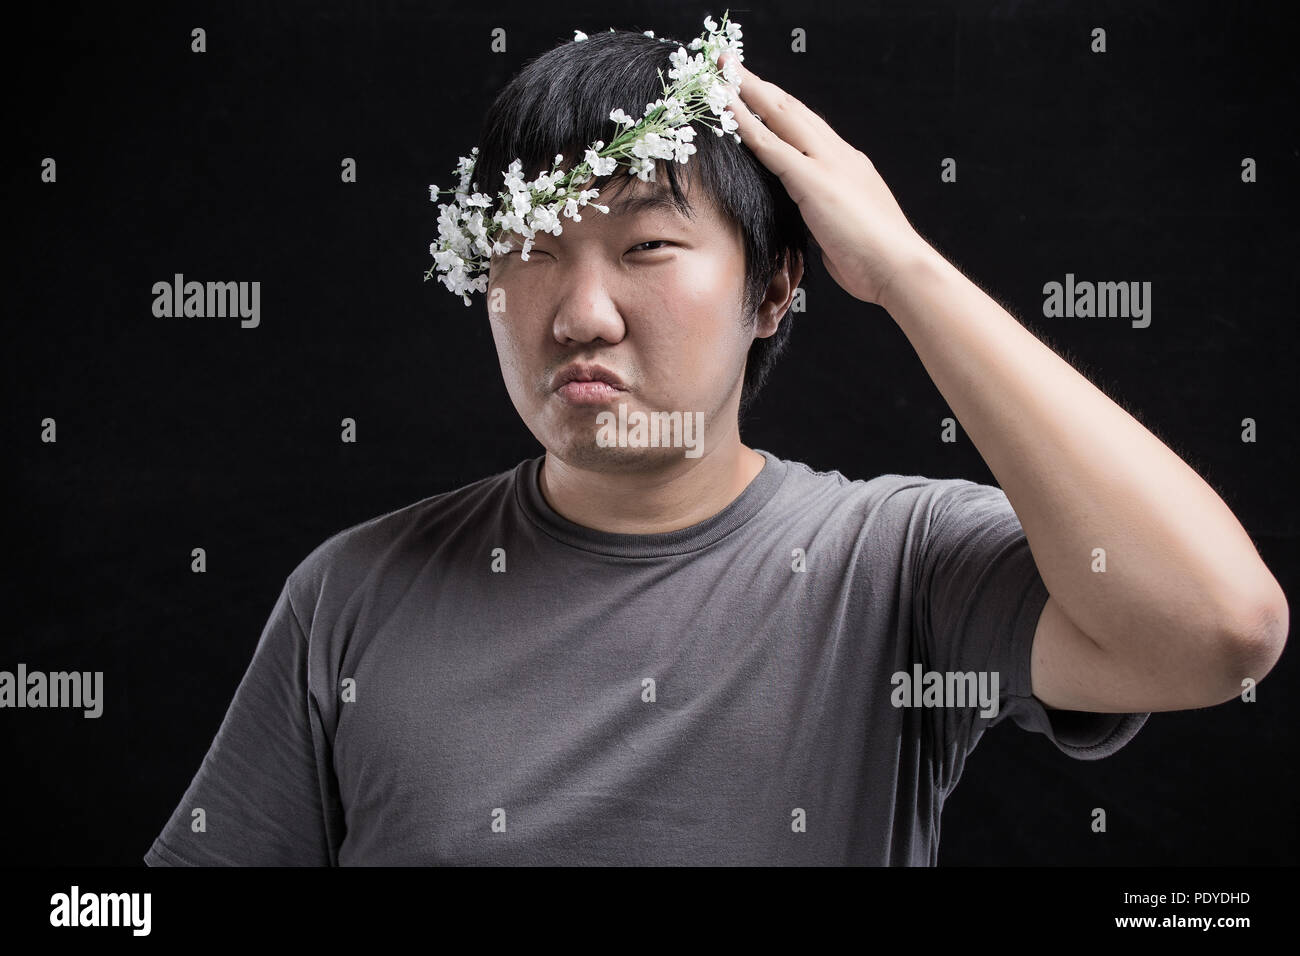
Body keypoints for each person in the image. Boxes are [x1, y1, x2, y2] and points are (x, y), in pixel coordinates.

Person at [144, 26, 1287, 867]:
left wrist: (904, 271)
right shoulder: (351, 592)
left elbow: (1220, 628)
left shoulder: (893, 566)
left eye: (647, 244)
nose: (579, 313)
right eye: (533, 249)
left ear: (775, 287)